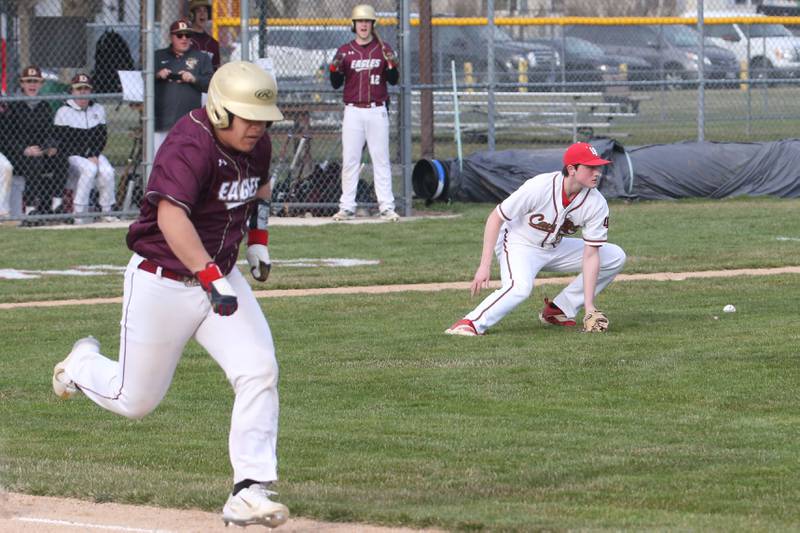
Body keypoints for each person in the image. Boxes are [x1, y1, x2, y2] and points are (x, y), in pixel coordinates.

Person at [51, 61, 289, 528]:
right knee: (134, 400)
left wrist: (257, 243)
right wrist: (208, 275)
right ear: (220, 111)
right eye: (248, 116)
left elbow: (259, 189)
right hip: (163, 279)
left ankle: (249, 489)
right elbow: (170, 219)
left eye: (264, 118)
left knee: (259, 369)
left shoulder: (255, 143)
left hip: (216, 277)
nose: (258, 127)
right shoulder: (189, 142)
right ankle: (79, 365)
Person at [445, 142, 627, 336]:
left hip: (554, 247)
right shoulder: (540, 186)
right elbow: (495, 217)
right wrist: (484, 265)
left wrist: (590, 306)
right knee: (520, 288)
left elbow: (591, 255)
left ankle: (558, 310)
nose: (597, 172)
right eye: (591, 167)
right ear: (572, 169)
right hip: (518, 242)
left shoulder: (596, 203)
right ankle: (469, 323)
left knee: (614, 256)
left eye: (598, 166)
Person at [329, 4, 400, 222]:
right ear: (354, 25)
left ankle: (386, 207)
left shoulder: (382, 48)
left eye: (367, 21)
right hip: (353, 111)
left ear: (372, 24)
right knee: (350, 159)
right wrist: (335, 68)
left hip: (376, 109)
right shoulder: (345, 51)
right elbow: (336, 83)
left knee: (381, 159)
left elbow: (394, 80)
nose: (363, 25)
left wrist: (391, 64)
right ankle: (347, 206)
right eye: (360, 21)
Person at [5, 66, 69, 217]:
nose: (32, 85)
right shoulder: (12, 104)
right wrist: (24, 149)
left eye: (36, 81)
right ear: (22, 84)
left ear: (41, 84)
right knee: (35, 162)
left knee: (61, 158)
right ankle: (30, 209)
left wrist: (50, 146)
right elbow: (5, 137)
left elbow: (50, 132)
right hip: (18, 154)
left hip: (40, 151)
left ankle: (57, 205)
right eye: (28, 81)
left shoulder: (44, 105)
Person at [54, 73, 116, 223]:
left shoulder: (98, 108)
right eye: (78, 89)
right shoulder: (63, 111)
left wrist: (93, 153)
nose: (82, 92)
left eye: (86, 89)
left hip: (93, 154)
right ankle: (79, 212)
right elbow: (64, 142)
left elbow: (101, 137)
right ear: (72, 91)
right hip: (72, 155)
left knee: (108, 171)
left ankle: (107, 211)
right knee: (90, 169)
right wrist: (88, 154)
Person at [154, 19, 213, 154]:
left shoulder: (201, 58)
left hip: (190, 122)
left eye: (188, 35)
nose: (184, 38)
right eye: (180, 35)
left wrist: (193, 79)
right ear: (171, 37)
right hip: (162, 121)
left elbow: (210, 84)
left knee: (188, 159)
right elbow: (144, 80)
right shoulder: (158, 56)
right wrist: (158, 75)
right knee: (159, 159)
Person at [188, 0, 221, 71]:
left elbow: (216, 70)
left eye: (205, 11)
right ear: (192, 15)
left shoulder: (213, 44)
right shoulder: (184, 39)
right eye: (198, 11)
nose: (202, 14)